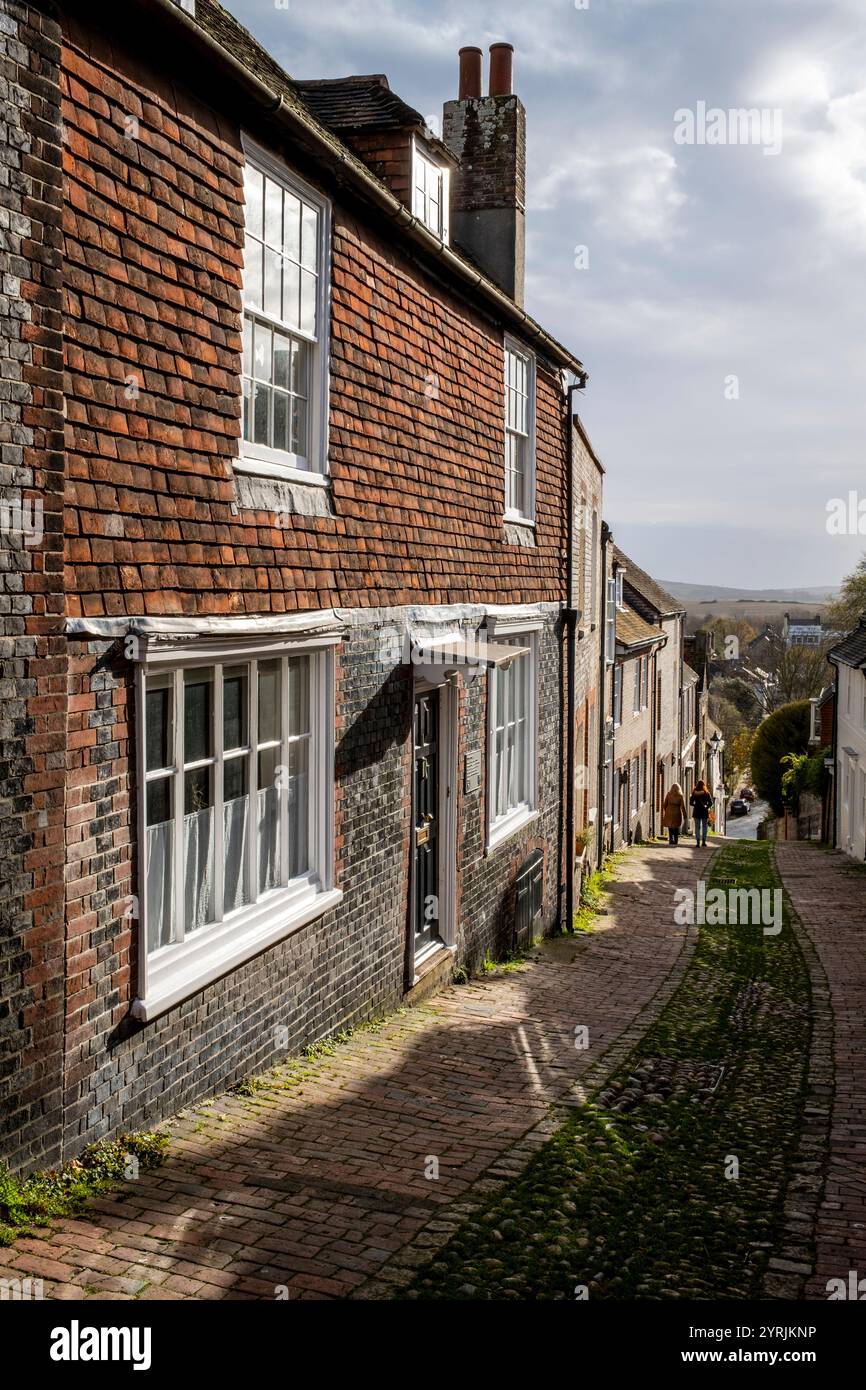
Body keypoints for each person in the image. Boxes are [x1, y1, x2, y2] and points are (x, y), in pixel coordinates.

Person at [690, 780, 714, 847]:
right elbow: (711, 803)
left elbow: (690, 802)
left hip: (696, 812)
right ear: (704, 785)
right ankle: (703, 841)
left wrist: (695, 805)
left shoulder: (694, 793)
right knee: (704, 827)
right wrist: (706, 807)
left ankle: (697, 842)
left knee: (697, 827)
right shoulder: (706, 793)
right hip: (704, 812)